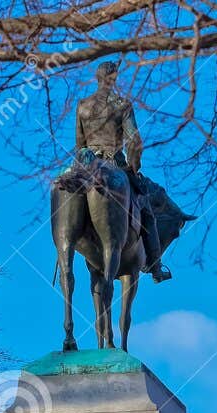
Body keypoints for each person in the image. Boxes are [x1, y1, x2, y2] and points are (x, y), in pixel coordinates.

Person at [72, 60, 172, 281]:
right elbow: (134, 141)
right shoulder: (122, 105)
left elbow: (80, 144)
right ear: (114, 79)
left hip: (86, 163)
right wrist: (134, 167)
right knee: (147, 214)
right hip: (115, 163)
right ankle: (156, 268)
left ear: (97, 78)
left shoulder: (82, 105)